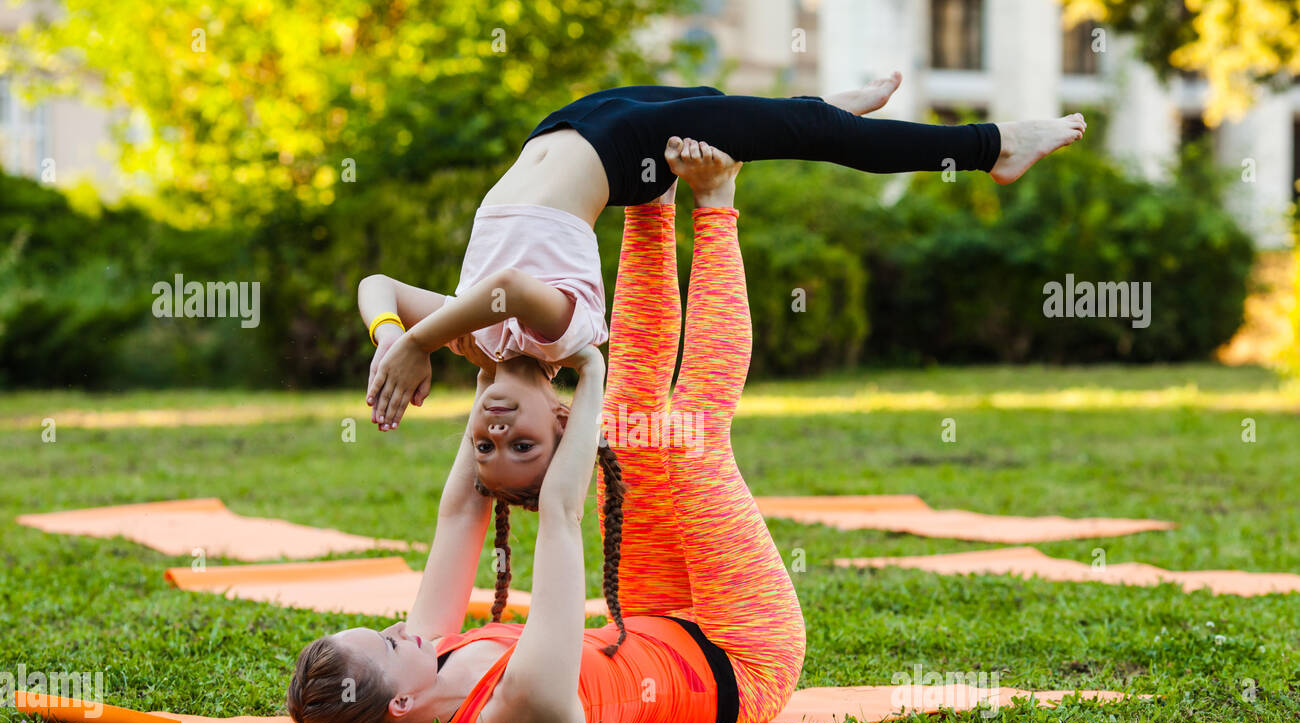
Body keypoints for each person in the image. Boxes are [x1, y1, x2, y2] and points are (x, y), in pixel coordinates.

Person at [359, 77, 1087, 509]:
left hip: (561, 128)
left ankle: (814, 112)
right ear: (560, 420)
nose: (493, 428)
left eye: (483, 443)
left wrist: (392, 336)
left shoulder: (473, 342)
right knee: (812, 134)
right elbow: (509, 287)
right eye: (520, 444)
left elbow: (378, 285)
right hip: (623, 155)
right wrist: (418, 341)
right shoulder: (565, 339)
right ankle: (994, 146)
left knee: (722, 107)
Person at [289, 141, 806, 723]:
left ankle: (652, 194)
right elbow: (561, 513)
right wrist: (589, 372)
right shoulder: (519, 706)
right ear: (401, 704)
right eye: (387, 643)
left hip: (652, 613)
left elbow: (461, 512)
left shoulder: (426, 657)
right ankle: (716, 200)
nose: (401, 629)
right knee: (689, 442)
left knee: (630, 432)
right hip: (742, 657)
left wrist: (492, 383)